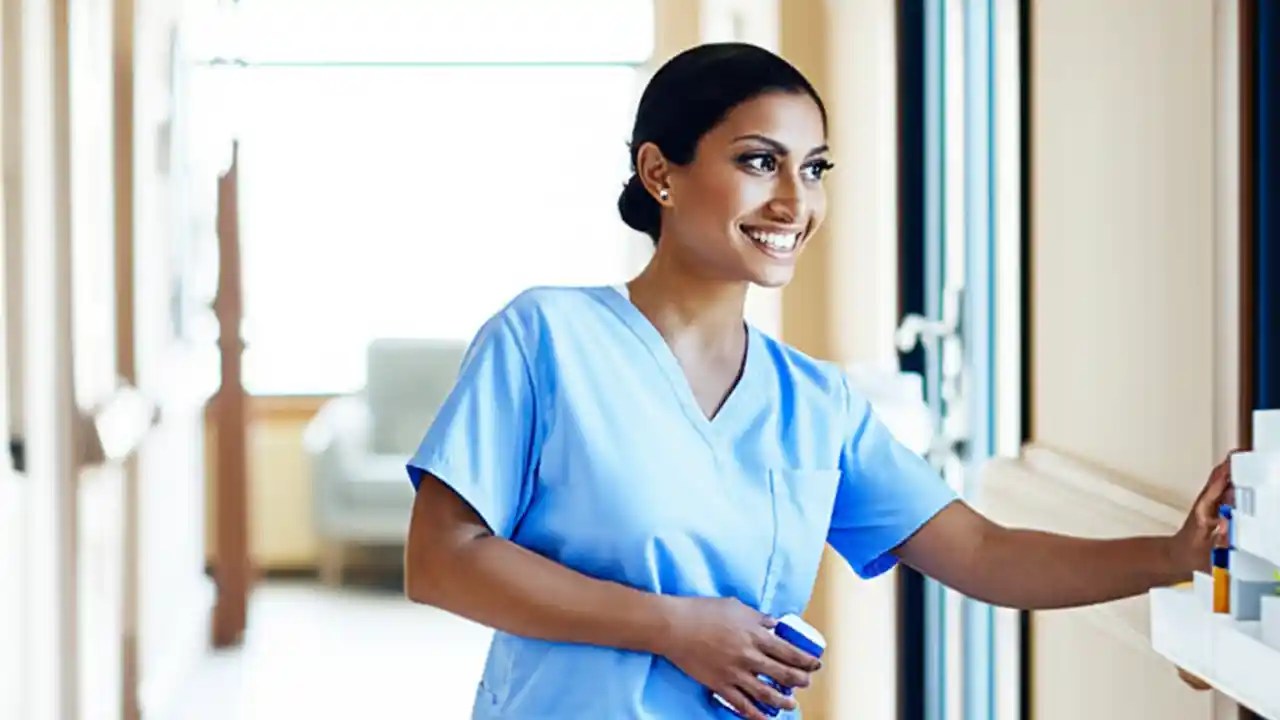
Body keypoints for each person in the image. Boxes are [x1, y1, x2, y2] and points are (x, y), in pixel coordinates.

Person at [403, 42, 1234, 720]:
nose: (794, 201)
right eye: (760, 162)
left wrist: (1172, 554)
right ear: (661, 173)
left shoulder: (815, 403)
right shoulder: (547, 338)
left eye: (817, 168)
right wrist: (674, 628)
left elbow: (983, 552)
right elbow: (441, 561)